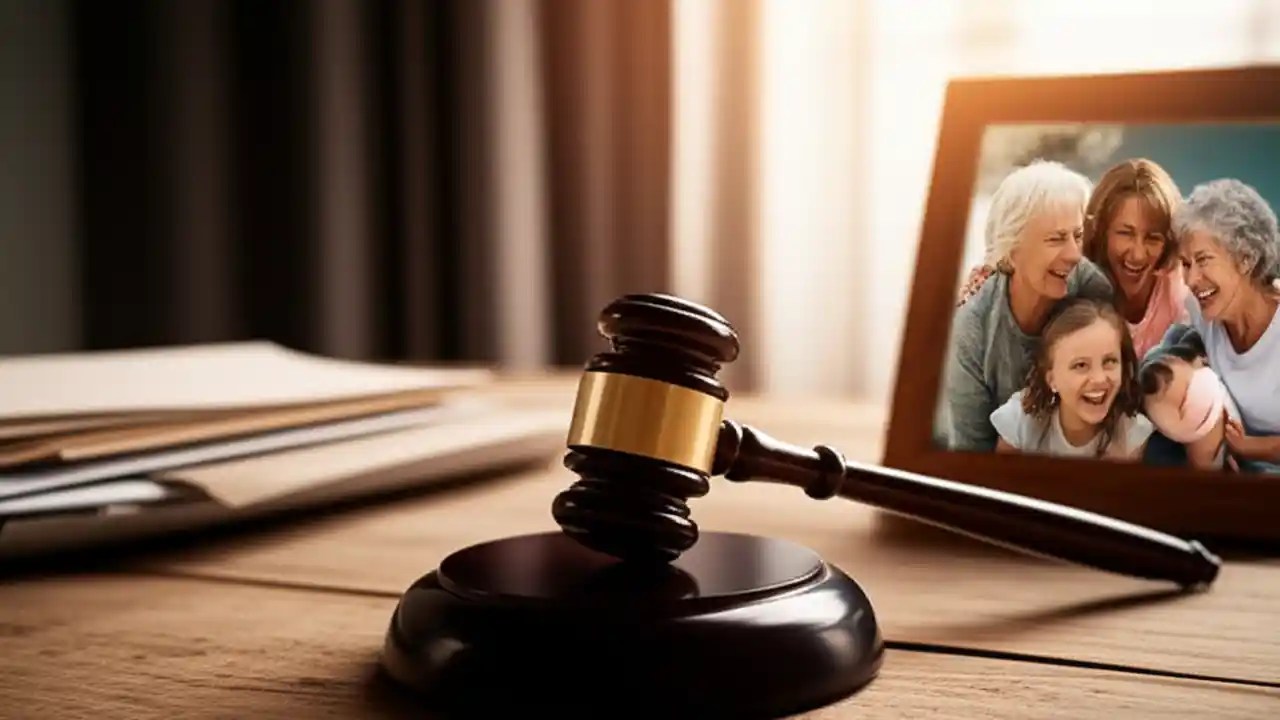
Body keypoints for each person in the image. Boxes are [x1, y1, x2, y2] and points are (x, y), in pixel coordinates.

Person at [942, 160, 1114, 452]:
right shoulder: (973, 329)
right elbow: (970, 454)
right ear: (1012, 246)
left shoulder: (1092, 290)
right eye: (1056, 239)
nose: (1074, 254)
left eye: (1077, 235)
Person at [1143, 178, 1280, 472]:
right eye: (1186, 264)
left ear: (1246, 259)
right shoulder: (1202, 309)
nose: (1192, 280)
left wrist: (1248, 447)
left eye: (1203, 260)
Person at [990, 298, 1151, 459]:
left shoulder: (1131, 435)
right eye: (1080, 365)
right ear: (1051, 379)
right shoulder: (1020, 422)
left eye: (1109, 361)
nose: (1099, 379)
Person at [1081, 159, 1191, 360]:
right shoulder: (1079, 288)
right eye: (1125, 233)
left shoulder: (1179, 291)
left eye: (1153, 237)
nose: (1138, 254)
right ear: (1100, 231)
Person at [1138, 325, 1239, 470]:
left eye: (1187, 395)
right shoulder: (1161, 457)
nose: (1193, 408)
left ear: (1203, 361)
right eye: (1182, 409)